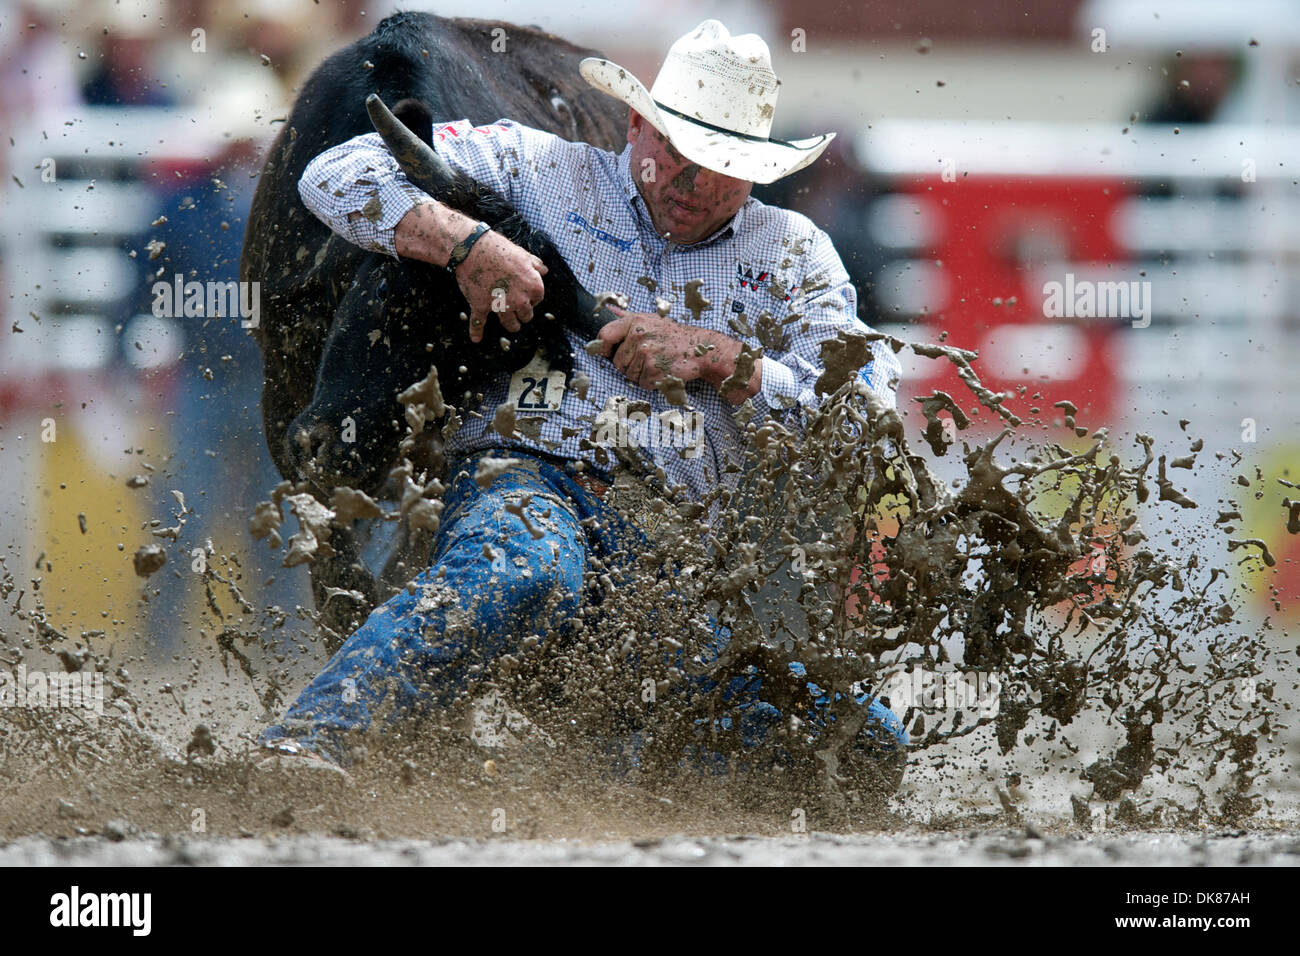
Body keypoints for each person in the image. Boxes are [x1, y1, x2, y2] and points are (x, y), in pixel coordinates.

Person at [258, 20, 905, 775]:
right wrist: (464, 244)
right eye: (675, 156)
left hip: (672, 556)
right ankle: (311, 740)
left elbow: (867, 418)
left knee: (862, 745)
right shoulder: (534, 166)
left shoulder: (796, 257)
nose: (691, 187)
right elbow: (337, 173)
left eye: (720, 169)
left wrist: (726, 360)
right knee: (527, 562)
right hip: (529, 477)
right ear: (637, 126)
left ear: (758, 170)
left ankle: (612, 777)